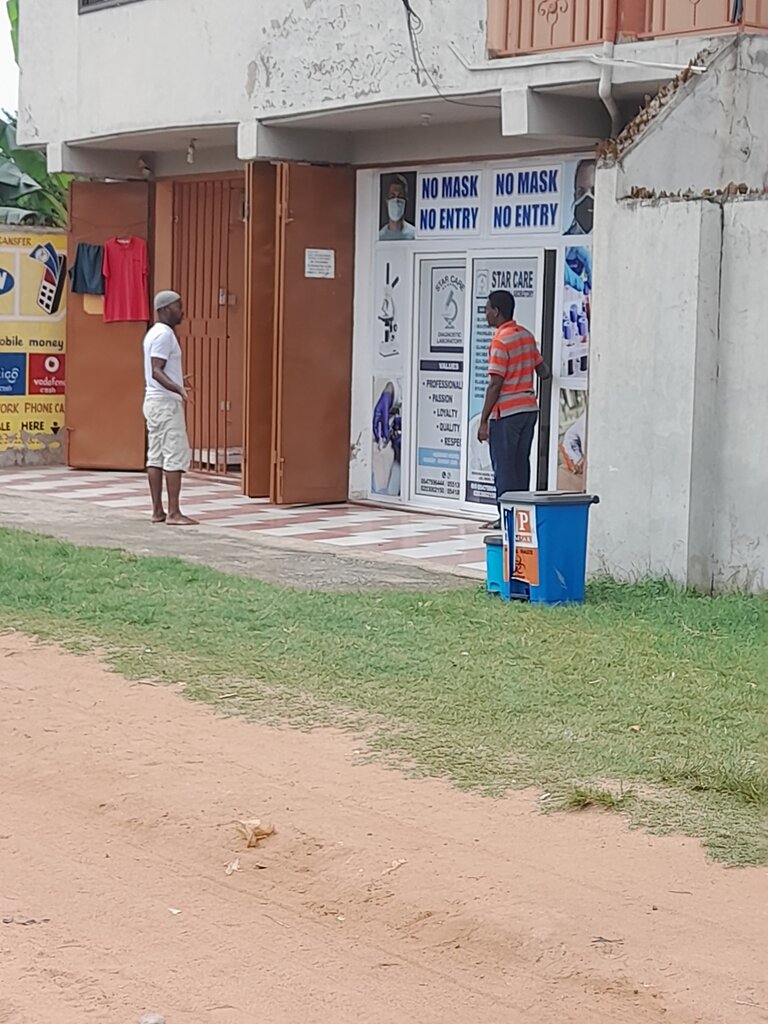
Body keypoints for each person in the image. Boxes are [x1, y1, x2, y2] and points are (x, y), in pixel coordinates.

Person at [477, 290, 551, 529]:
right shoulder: (526, 336)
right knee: (521, 464)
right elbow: (544, 372)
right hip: (528, 410)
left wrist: (483, 420)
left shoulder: (500, 341)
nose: (485, 313)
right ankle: (521, 517)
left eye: (487, 309)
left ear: (497, 312)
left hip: (506, 414)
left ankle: (506, 518)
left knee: (504, 467)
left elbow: (495, 383)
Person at [142, 290, 197, 526]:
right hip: (165, 403)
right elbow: (156, 370)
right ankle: (174, 512)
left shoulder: (153, 333)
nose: (181, 311)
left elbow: (158, 369)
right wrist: (178, 389)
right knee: (174, 454)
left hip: (153, 402)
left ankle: (158, 511)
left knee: (155, 456)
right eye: (178, 306)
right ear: (164, 310)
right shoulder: (165, 335)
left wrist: (178, 379)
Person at [379, 174, 416, 241]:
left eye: (400, 196)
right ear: (386, 201)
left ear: (406, 200)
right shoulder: (380, 237)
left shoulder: (414, 235)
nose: (396, 200)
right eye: (392, 196)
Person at [565, 159, 595, 236]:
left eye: (594, 192)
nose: (587, 197)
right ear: (575, 196)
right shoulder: (565, 244)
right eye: (581, 192)